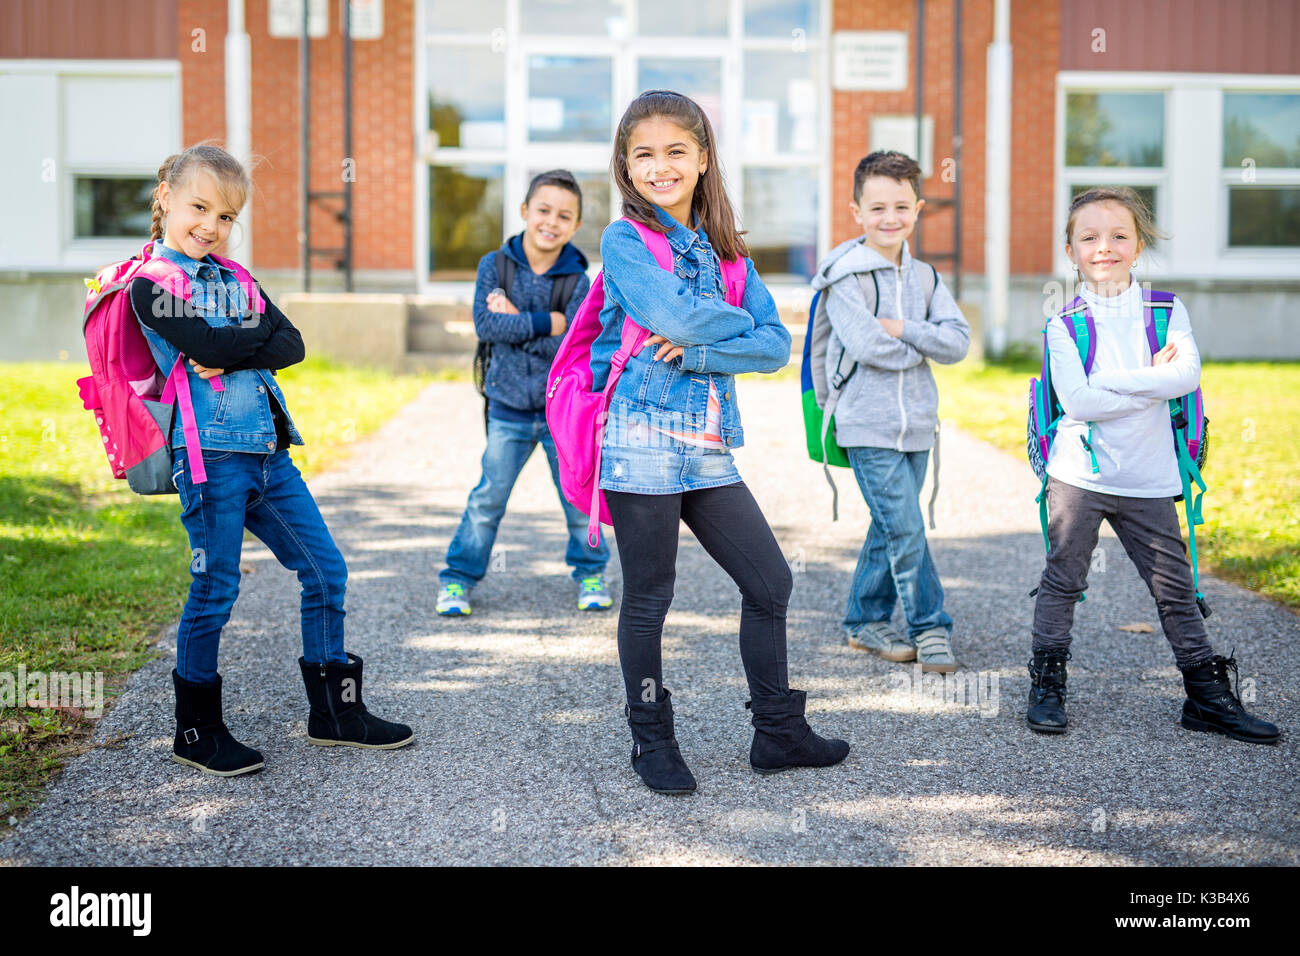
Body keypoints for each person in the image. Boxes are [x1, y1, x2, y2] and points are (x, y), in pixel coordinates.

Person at [595, 90, 849, 794]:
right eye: (644, 154)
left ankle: (778, 732)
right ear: (626, 164)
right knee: (650, 596)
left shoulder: (726, 250)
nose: (661, 166)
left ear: (703, 159)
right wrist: (733, 325)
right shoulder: (625, 241)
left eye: (677, 150)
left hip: (706, 445)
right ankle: (652, 741)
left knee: (770, 582)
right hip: (640, 438)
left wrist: (705, 347)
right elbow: (669, 310)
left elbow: (776, 346)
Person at [130, 144, 413, 776]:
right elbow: (206, 340)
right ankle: (197, 732)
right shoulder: (152, 285)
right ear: (166, 199)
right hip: (210, 462)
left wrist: (234, 350)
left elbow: (295, 343)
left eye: (227, 216)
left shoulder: (236, 278)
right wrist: (247, 342)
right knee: (216, 587)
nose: (211, 225)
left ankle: (336, 713)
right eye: (199, 207)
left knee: (326, 570)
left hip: (268, 457)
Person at [1027, 186, 1279, 744]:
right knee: (1063, 580)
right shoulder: (1062, 323)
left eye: (1119, 235)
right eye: (1089, 237)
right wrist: (1150, 384)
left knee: (1175, 588)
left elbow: (1184, 377)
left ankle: (1207, 698)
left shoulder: (1167, 309)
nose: (1105, 247)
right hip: (1080, 477)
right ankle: (1047, 685)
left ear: (1138, 244)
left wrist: (1113, 383)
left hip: (1150, 477)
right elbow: (1079, 404)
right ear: (1071, 251)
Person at [810, 151, 970, 672]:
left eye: (901, 206)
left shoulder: (925, 278)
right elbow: (868, 346)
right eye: (877, 207)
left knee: (888, 525)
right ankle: (932, 628)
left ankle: (863, 620)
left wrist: (904, 328)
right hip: (864, 423)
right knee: (905, 527)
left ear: (919, 209)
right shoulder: (844, 276)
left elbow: (959, 342)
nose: (889, 217)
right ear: (855, 210)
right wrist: (923, 342)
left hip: (918, 424)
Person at [435, 170, 613, 617]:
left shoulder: (579, 282)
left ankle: (591, 572)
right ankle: (457, 580)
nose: (551, 222)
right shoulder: (494, 266)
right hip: (509, 409)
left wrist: (519, 321)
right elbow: (486, 325)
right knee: (488, 498)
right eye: (544, 210)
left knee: (578, 496)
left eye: (564, 216)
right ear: (524, 212)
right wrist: (547, 321)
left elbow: (575, 345)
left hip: (561, 413)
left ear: (575, 226)